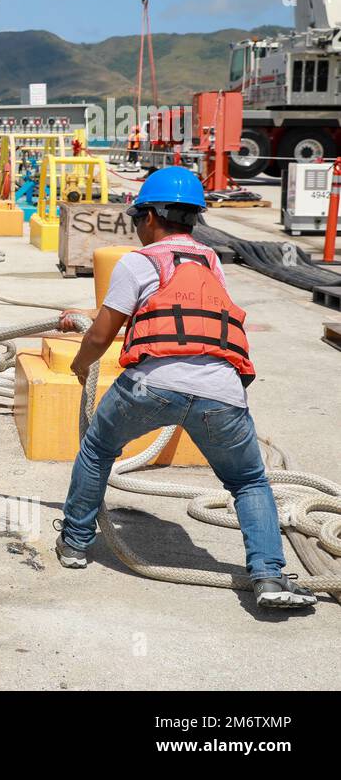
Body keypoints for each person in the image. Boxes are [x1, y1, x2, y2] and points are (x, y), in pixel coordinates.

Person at [52, 167, 315, 610]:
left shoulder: (139, 262)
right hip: (222, 393)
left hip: (151, 386)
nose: (136, 227)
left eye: (137, 218)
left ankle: (75, 544)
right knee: (249, 481)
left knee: (97, 450)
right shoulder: (211, 262)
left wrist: (80, 366)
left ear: (151, 216)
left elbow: (101, 336)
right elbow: (187, 314)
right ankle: (269, 576)